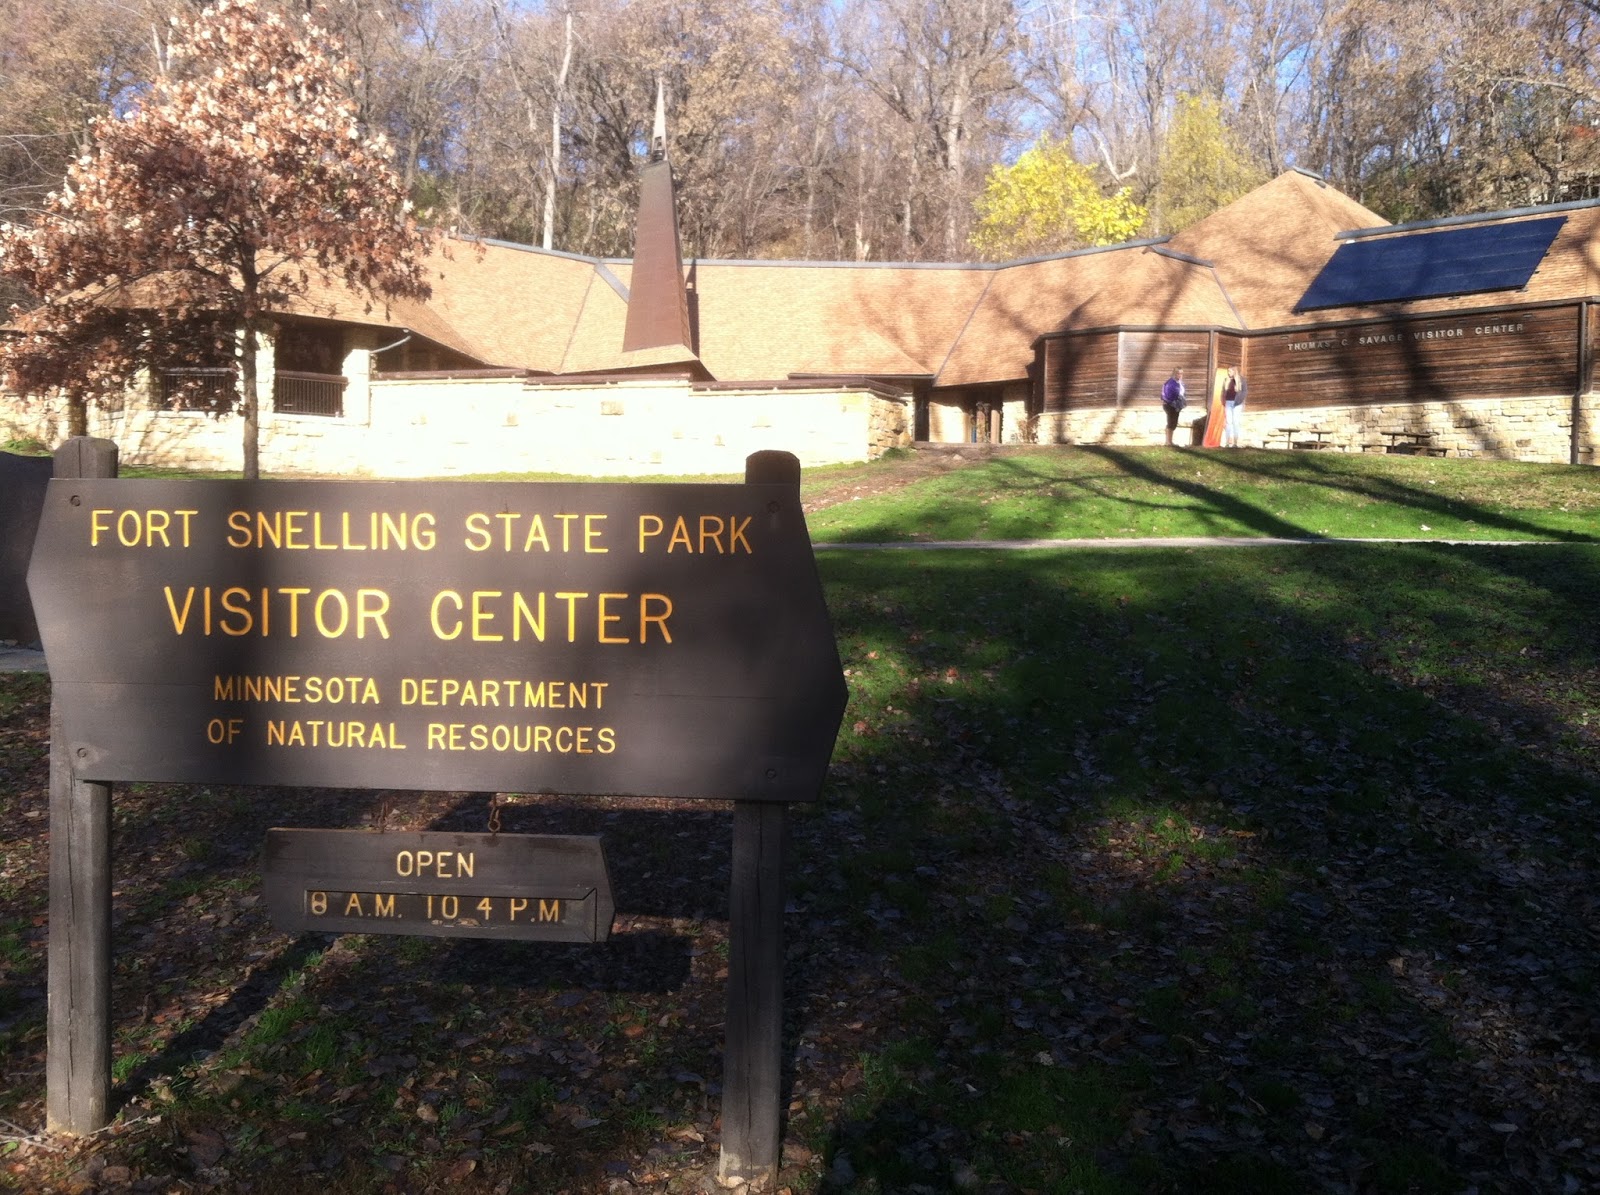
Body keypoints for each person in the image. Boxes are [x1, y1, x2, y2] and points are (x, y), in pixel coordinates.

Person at [1160, 368, 1186, 447]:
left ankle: (1170, 441)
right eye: (1178, 373)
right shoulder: (1170, 383)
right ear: (1174, 373)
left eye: (1181, 373)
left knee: (1174, 423)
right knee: (1170, 422)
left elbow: (1181, 393)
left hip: (1177, 404)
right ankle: (1168, 442)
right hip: (1170, 404)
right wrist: (1172, 402)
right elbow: (1167, 395)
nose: (1180, 375)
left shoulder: (1179, 383)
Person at [1222, 366, 1246, 448]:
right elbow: (1223, 390)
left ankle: (1235, 442)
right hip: (1228, 402)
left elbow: (1244, 391)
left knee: (1236, 422)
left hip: (1237, 403)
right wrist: (1224, 399)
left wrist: (1239, 400)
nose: (1228, 373)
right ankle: (1228, 442)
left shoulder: (1241, 380)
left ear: (1234, 371)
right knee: (1229, 422)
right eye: (1228, 371)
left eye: (1230, 371)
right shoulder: (1227, 380)